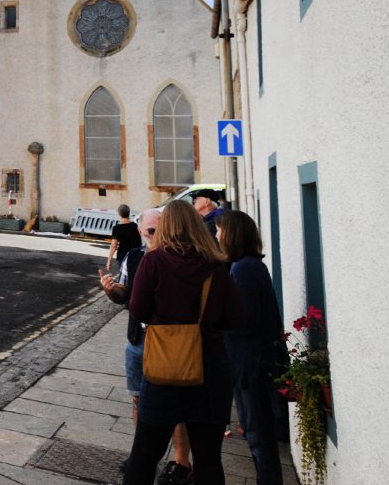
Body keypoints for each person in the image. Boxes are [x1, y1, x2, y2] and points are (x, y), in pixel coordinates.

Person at [122, 201, 245, 485]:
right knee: (209, 459)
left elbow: (137, 309)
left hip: (166, 367)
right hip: (210, 369)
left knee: (145, 454)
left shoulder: (154, 261)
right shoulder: (216, 265)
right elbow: (237, 318)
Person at [216, 211, 284, 485]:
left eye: (220, 230)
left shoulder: (243, 268)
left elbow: (245, 320)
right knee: (258, 433)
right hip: (254, 361)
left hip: (250, 365)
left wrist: (215, 319)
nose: (217, 235)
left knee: (258, 435)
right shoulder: (252, 265)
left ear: (232, 234)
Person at [100, 207, 162, 422]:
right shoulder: (134, 258)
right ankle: (141, 451)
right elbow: (123, 295)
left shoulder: (177, 257)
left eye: (160, 230)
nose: (155, 236)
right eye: (151, 231)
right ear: (140, 230)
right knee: (138, 398)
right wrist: (110, 290)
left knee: (173, 404)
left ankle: (181, 456)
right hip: (138, 338)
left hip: (169, 340)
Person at [106, 203, 142, 272]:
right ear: (129, 213)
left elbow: (113, 246)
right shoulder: (136, 226)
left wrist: (109, 261)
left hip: (122, 257)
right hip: (136, 256)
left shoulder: (116, 228)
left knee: (123, 279)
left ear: (119, 214)